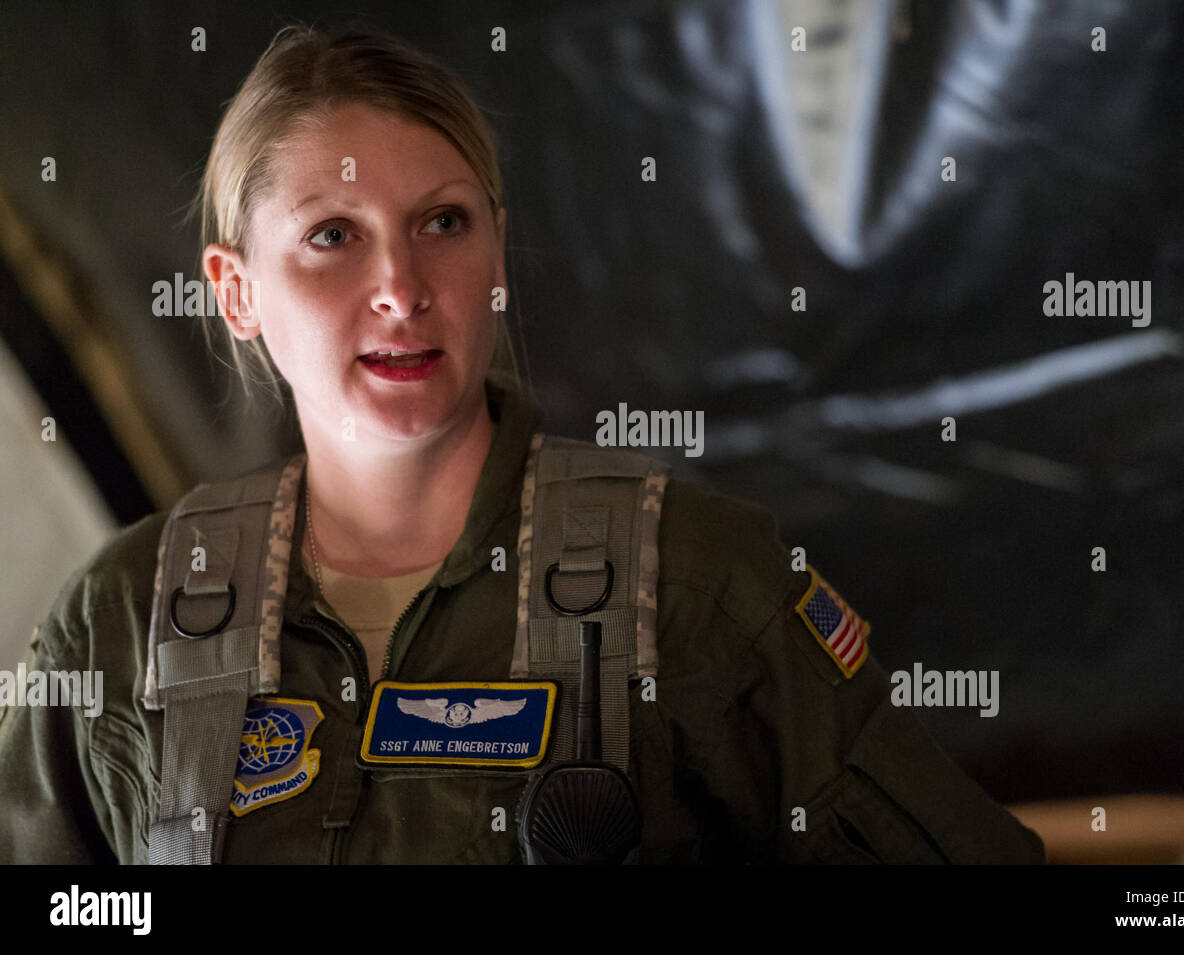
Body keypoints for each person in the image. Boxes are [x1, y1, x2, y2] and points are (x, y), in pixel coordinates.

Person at [0, 22, 1045, 864]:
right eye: (333, 235)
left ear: (497, 248)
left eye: (443, 222)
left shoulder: (697, 586)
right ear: (235, 292)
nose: (402, 289)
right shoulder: (120, 623)